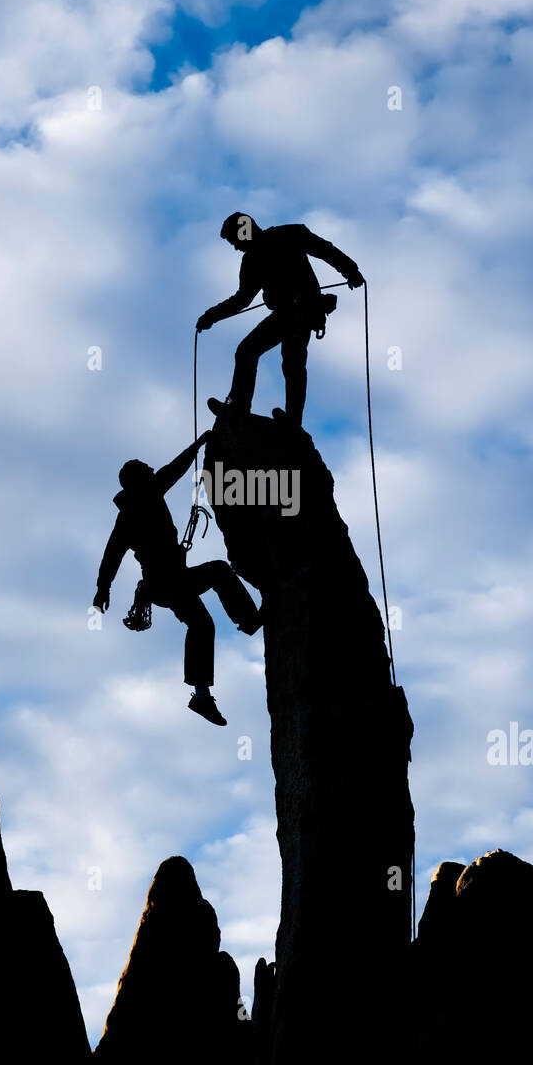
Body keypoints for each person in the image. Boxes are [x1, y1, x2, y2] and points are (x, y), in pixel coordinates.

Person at [93, 433, 262, 726]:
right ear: (138, 480)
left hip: (167, 583)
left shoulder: (137, 505)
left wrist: (102, 590)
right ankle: (248, 620)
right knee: (218, 576)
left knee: (203, 619)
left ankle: (201, 696)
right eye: (147, 470)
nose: (152, 472)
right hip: (166, 581)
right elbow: (174, 469)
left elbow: (112, 556)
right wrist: (198, 445)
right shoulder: (143, 500)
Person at [196, 213, 364, 428]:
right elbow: (242, 299)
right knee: (279, 359)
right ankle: (282, 418)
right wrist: (211, 316)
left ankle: (251, 411)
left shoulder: (285, 236)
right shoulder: (257, 255)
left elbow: (324, 250)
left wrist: (351, 271)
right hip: (293, 312)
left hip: (300, 310)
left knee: (263, 355)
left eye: (234, 240)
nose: (236, 247)